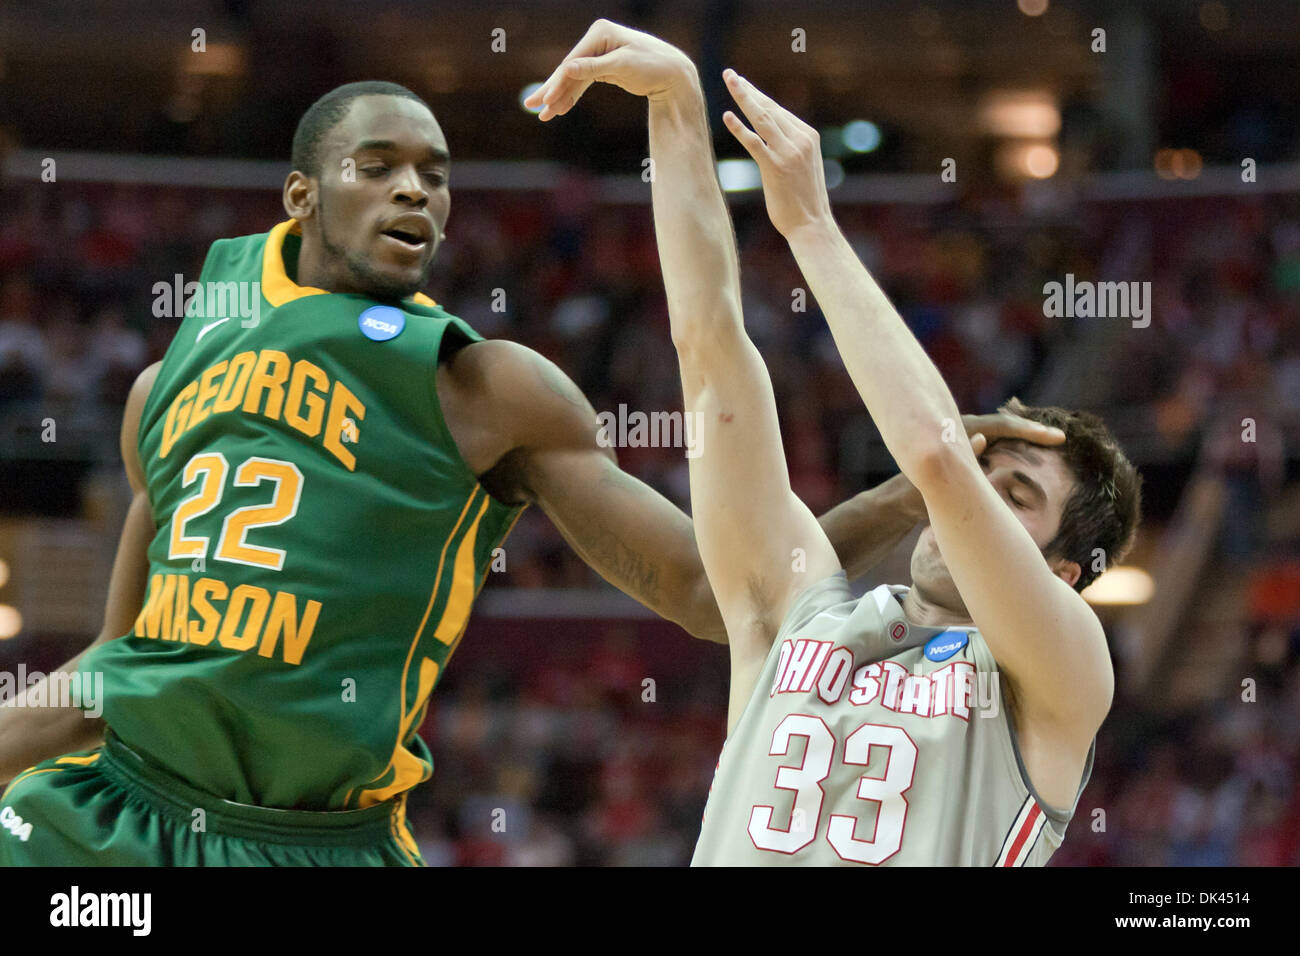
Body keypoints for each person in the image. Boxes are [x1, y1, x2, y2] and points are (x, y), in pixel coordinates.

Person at [0, 65, 1064, 866]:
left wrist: (909, 491)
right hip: (113, 817)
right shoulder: (167, 383)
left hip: (318, 839)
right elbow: (115, 657)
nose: (414, 193)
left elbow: (709, 588)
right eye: (377, 169)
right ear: (299, 195)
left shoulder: (484, 388)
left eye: (433, 175)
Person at [529, 21, 1140, 865]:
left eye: (1018, 495)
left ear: (1065, 573)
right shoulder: (797, 609)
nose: (971, 496)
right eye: (987, 474)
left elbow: (932, 454)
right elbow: (709, 355)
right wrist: (675, 108)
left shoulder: (1061, 677)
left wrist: (811, 223)